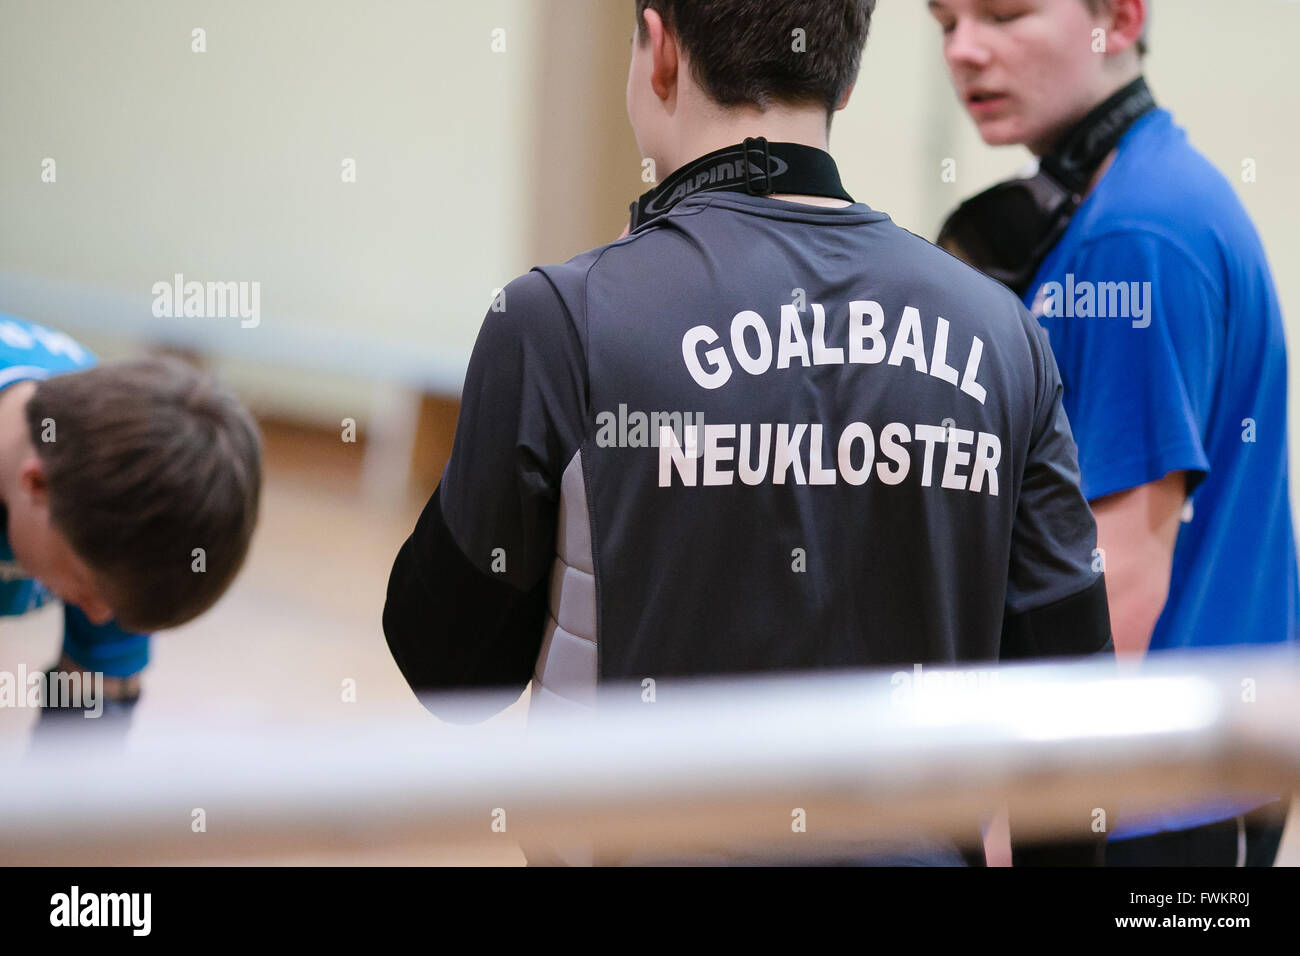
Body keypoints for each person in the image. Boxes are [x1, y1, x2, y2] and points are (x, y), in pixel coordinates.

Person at [384, 0, 1112, 864]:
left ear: (659, 53)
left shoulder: (560, 321)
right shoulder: (1005, 337)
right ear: (845, 74)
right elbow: (1074, 727)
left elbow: (446, 670)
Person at [930, 0, 1297, 864]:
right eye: (944, 23)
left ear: (1121, 18)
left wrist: (1003, 824)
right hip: (1182, 784)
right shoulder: (1138, 195)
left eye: (1005, 13)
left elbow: (1118, 578)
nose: (967, 50)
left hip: (1149, 806)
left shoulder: (1137, 233)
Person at [0, 312, 262, 737]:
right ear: (37, 487)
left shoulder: (116, 475)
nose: (101, 614)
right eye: (89, 587)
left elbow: (92, 717)